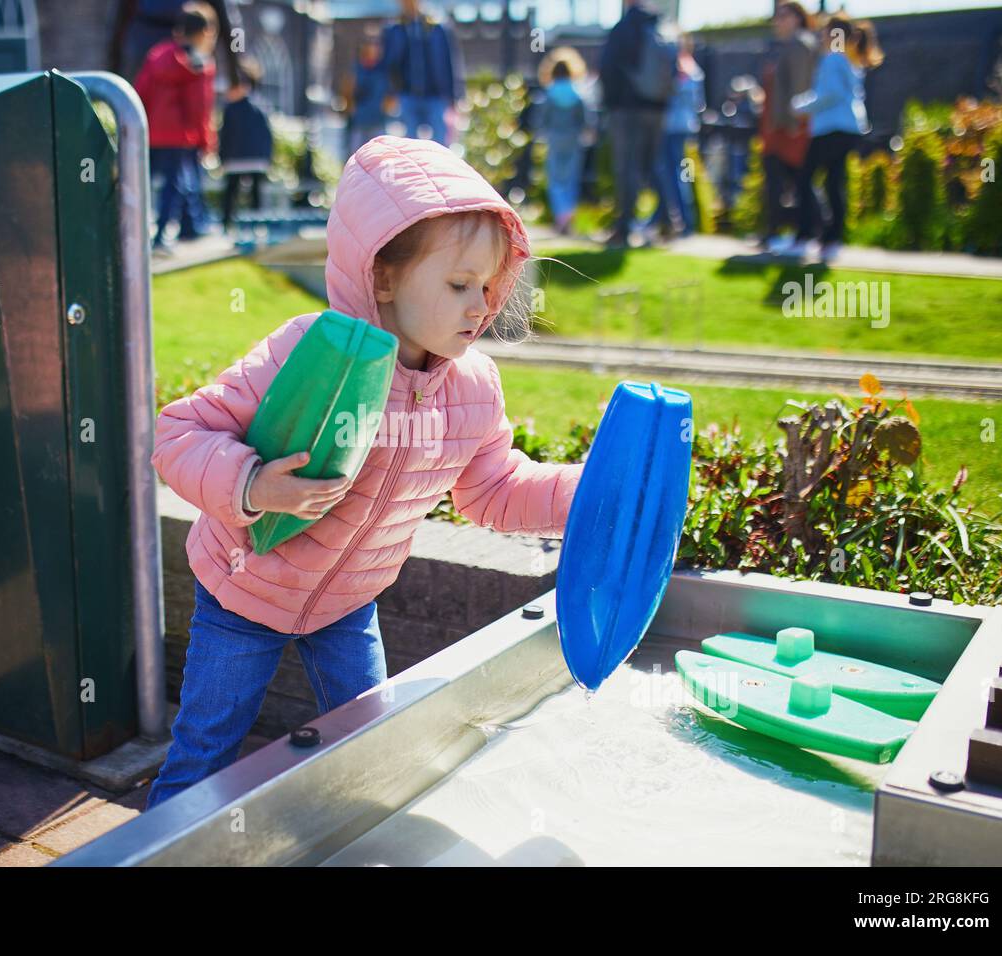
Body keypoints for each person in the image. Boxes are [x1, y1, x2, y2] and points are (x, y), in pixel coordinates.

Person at [143, 134, 585, 810]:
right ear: (382, 275)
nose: (480, 305)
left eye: (489, 286)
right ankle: (160, 851)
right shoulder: (312, 352)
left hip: (347, 605)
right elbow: (178, 434)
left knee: (375, 747)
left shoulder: (473, 388)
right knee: (206, 752)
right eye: (459, 284)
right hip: (243, 592)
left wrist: (588, 492)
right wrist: (253, 486)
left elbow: (492, 491)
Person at [787, 14, 883, 262]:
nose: (820, 36)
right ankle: (831, 238)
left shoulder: (833, 59)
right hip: (848, 128)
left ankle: (807, 235)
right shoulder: (848, 60)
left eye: (824, 32)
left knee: (805, 176)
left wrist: (799, 107)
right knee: (833, 181)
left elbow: (830, 94)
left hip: (832, 128)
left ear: (835, 35)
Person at [135, 2, 218, 254]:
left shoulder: (157, 55)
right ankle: (164, 234)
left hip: (152, 133)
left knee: (143, 183)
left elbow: (141, 92)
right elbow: (199, 108)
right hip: (181, 136)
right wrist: (206, 141)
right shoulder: (200, 64)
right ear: (204, 32)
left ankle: (139, 234)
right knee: (177, 185)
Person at [597, 0, 674, 248]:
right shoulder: (662, 27)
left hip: (627, 108)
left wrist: (610, 102)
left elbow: (608, 69)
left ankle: (624, 228)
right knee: (653, 165)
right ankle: (669, 221)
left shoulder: (624, 28)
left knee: (627, 168)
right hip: (657, 109)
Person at [761, 2, 819, 251]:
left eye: (783, 16)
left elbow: (800, 88)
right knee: (793, 180)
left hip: (790, 128)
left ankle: (805, 232)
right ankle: (789, 232)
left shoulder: (799, 45)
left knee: (796, 180)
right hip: (782, 126)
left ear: (797, 18)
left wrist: (796, 122)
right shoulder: (788, 46)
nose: (778, 22)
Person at [381, 0, 464, 146]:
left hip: (435, 95)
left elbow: (449, 61)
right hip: (408, 94)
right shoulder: (394, 28)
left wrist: (455, 95)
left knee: (440, 143)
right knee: (410, 145)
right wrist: (389, 92)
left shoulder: (438, 26)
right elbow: (389, 63)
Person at [647, 34, 704, 238]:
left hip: (672, 127)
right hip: (686, 127)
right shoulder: (694, 68)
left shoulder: (681, 68)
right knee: (676, 175)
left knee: (674, 176)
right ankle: (660, 219)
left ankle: (685, 222)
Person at [534, 49, 591, 236]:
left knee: (556, 180)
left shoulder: (549, 95)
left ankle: (561, 217)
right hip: (574, 141)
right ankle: (569, 217)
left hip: (555, 141)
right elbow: (585, 121)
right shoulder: (578, 95)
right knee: (571, 178)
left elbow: (541, 121)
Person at [218, 56, 272, 233]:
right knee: (255, 193)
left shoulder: (231, 108)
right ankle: (256, 226)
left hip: (235, 158)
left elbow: (225, 134)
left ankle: (228, 225)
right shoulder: (262, 105)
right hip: (256, 159)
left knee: (231, 192)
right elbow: (267, 135)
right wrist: (267, 157)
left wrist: (222, 157)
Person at [343, 35, 390, 157]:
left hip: (378, 121)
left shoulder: (384, 70)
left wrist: (386, 108)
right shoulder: (355, 70)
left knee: (378, 158)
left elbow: (390, 95)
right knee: (355, 157)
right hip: (358, 122)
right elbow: (347, 94)